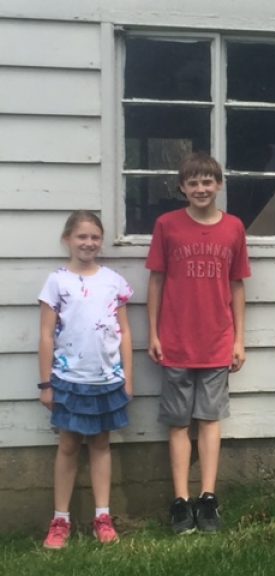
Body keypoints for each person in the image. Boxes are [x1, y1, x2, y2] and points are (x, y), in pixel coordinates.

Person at [146, 152, 250, 534]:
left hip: (217, 341)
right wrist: (153, 333)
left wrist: (239, 339)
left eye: (207, 181)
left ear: (219, 185)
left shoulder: (234, 228)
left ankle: (208, 499)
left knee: (208, 419)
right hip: (175, 340)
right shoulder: (167, 226)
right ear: (182, 189)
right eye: (193, 183)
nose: (201, 189)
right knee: (177, 423)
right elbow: (155, 280)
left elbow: (237, 286)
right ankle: (180, 501)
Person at [38, 210, 134, 549]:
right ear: (67, 240)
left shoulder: (113, 281)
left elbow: (124, 332)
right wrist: (46, 383)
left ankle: (102, 517)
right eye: (81, 237)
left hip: (106, 380)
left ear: (101, 240)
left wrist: (128, 378)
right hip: (68, 380)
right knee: (67, 446)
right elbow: (47, 335)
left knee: (101, 445)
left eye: (94, 237)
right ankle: (60, 520)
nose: (88, 243)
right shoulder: (57, 282)